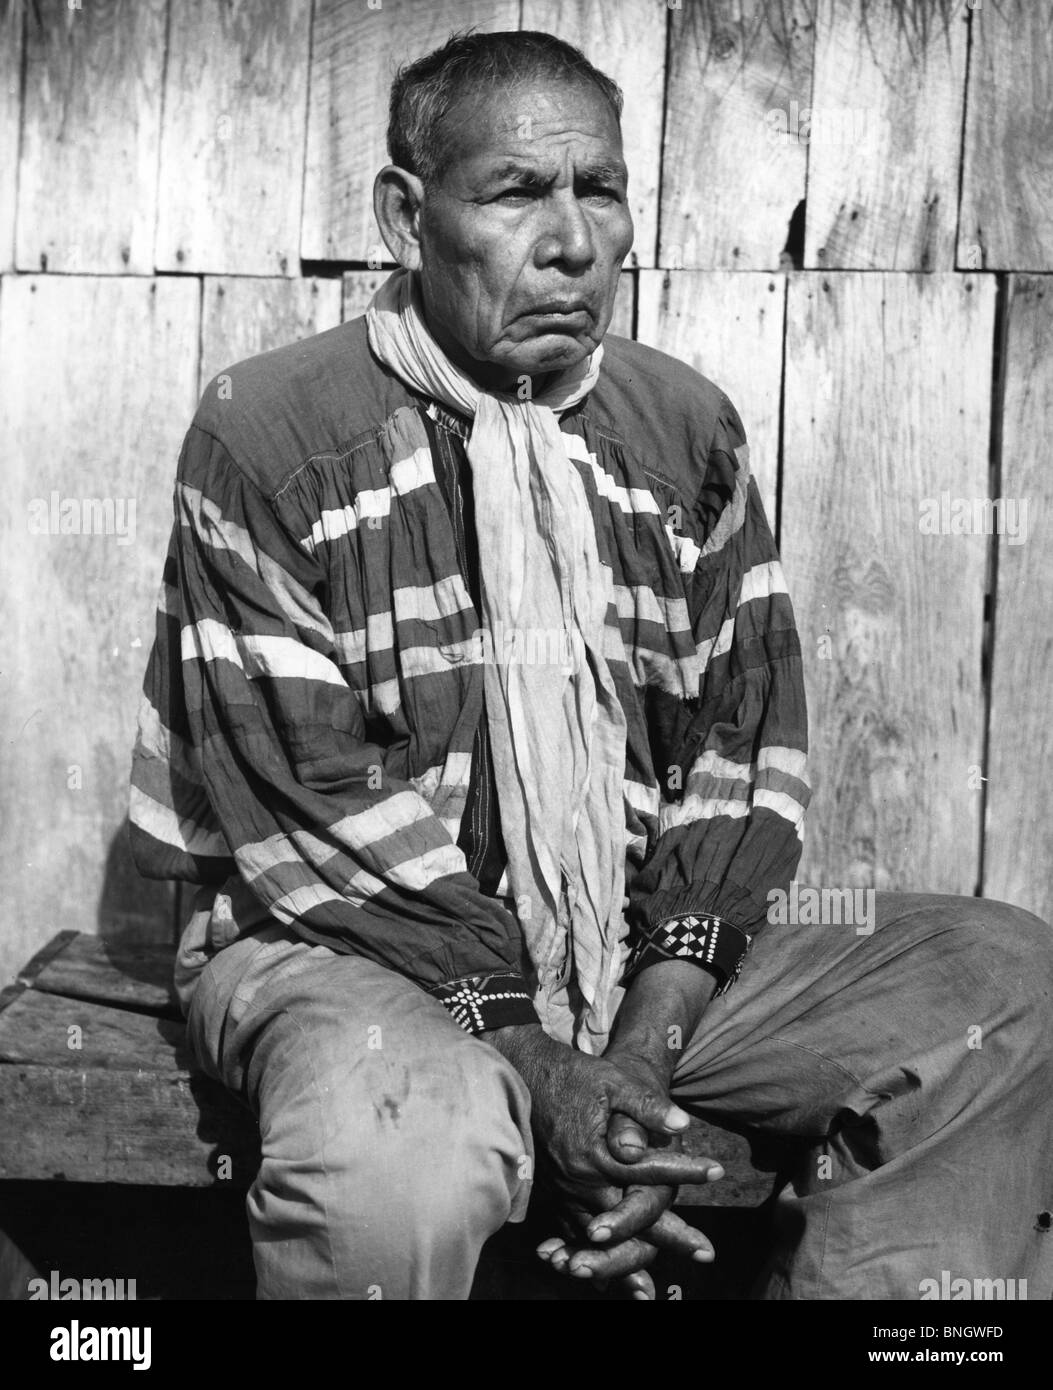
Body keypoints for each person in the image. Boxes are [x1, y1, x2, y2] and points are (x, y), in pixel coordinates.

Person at [129, 30, 1053, 1301]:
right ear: (406, 217)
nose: (573, 240)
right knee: (395, 1161)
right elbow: (309, 807)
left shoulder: (682, 431)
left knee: (1001, 984)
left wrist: (635, 1062)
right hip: (342, 944)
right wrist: (536, 1056)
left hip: (632, 954)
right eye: (517, 193)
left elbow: (743, 752)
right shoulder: (272, 433)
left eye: (601, 189)